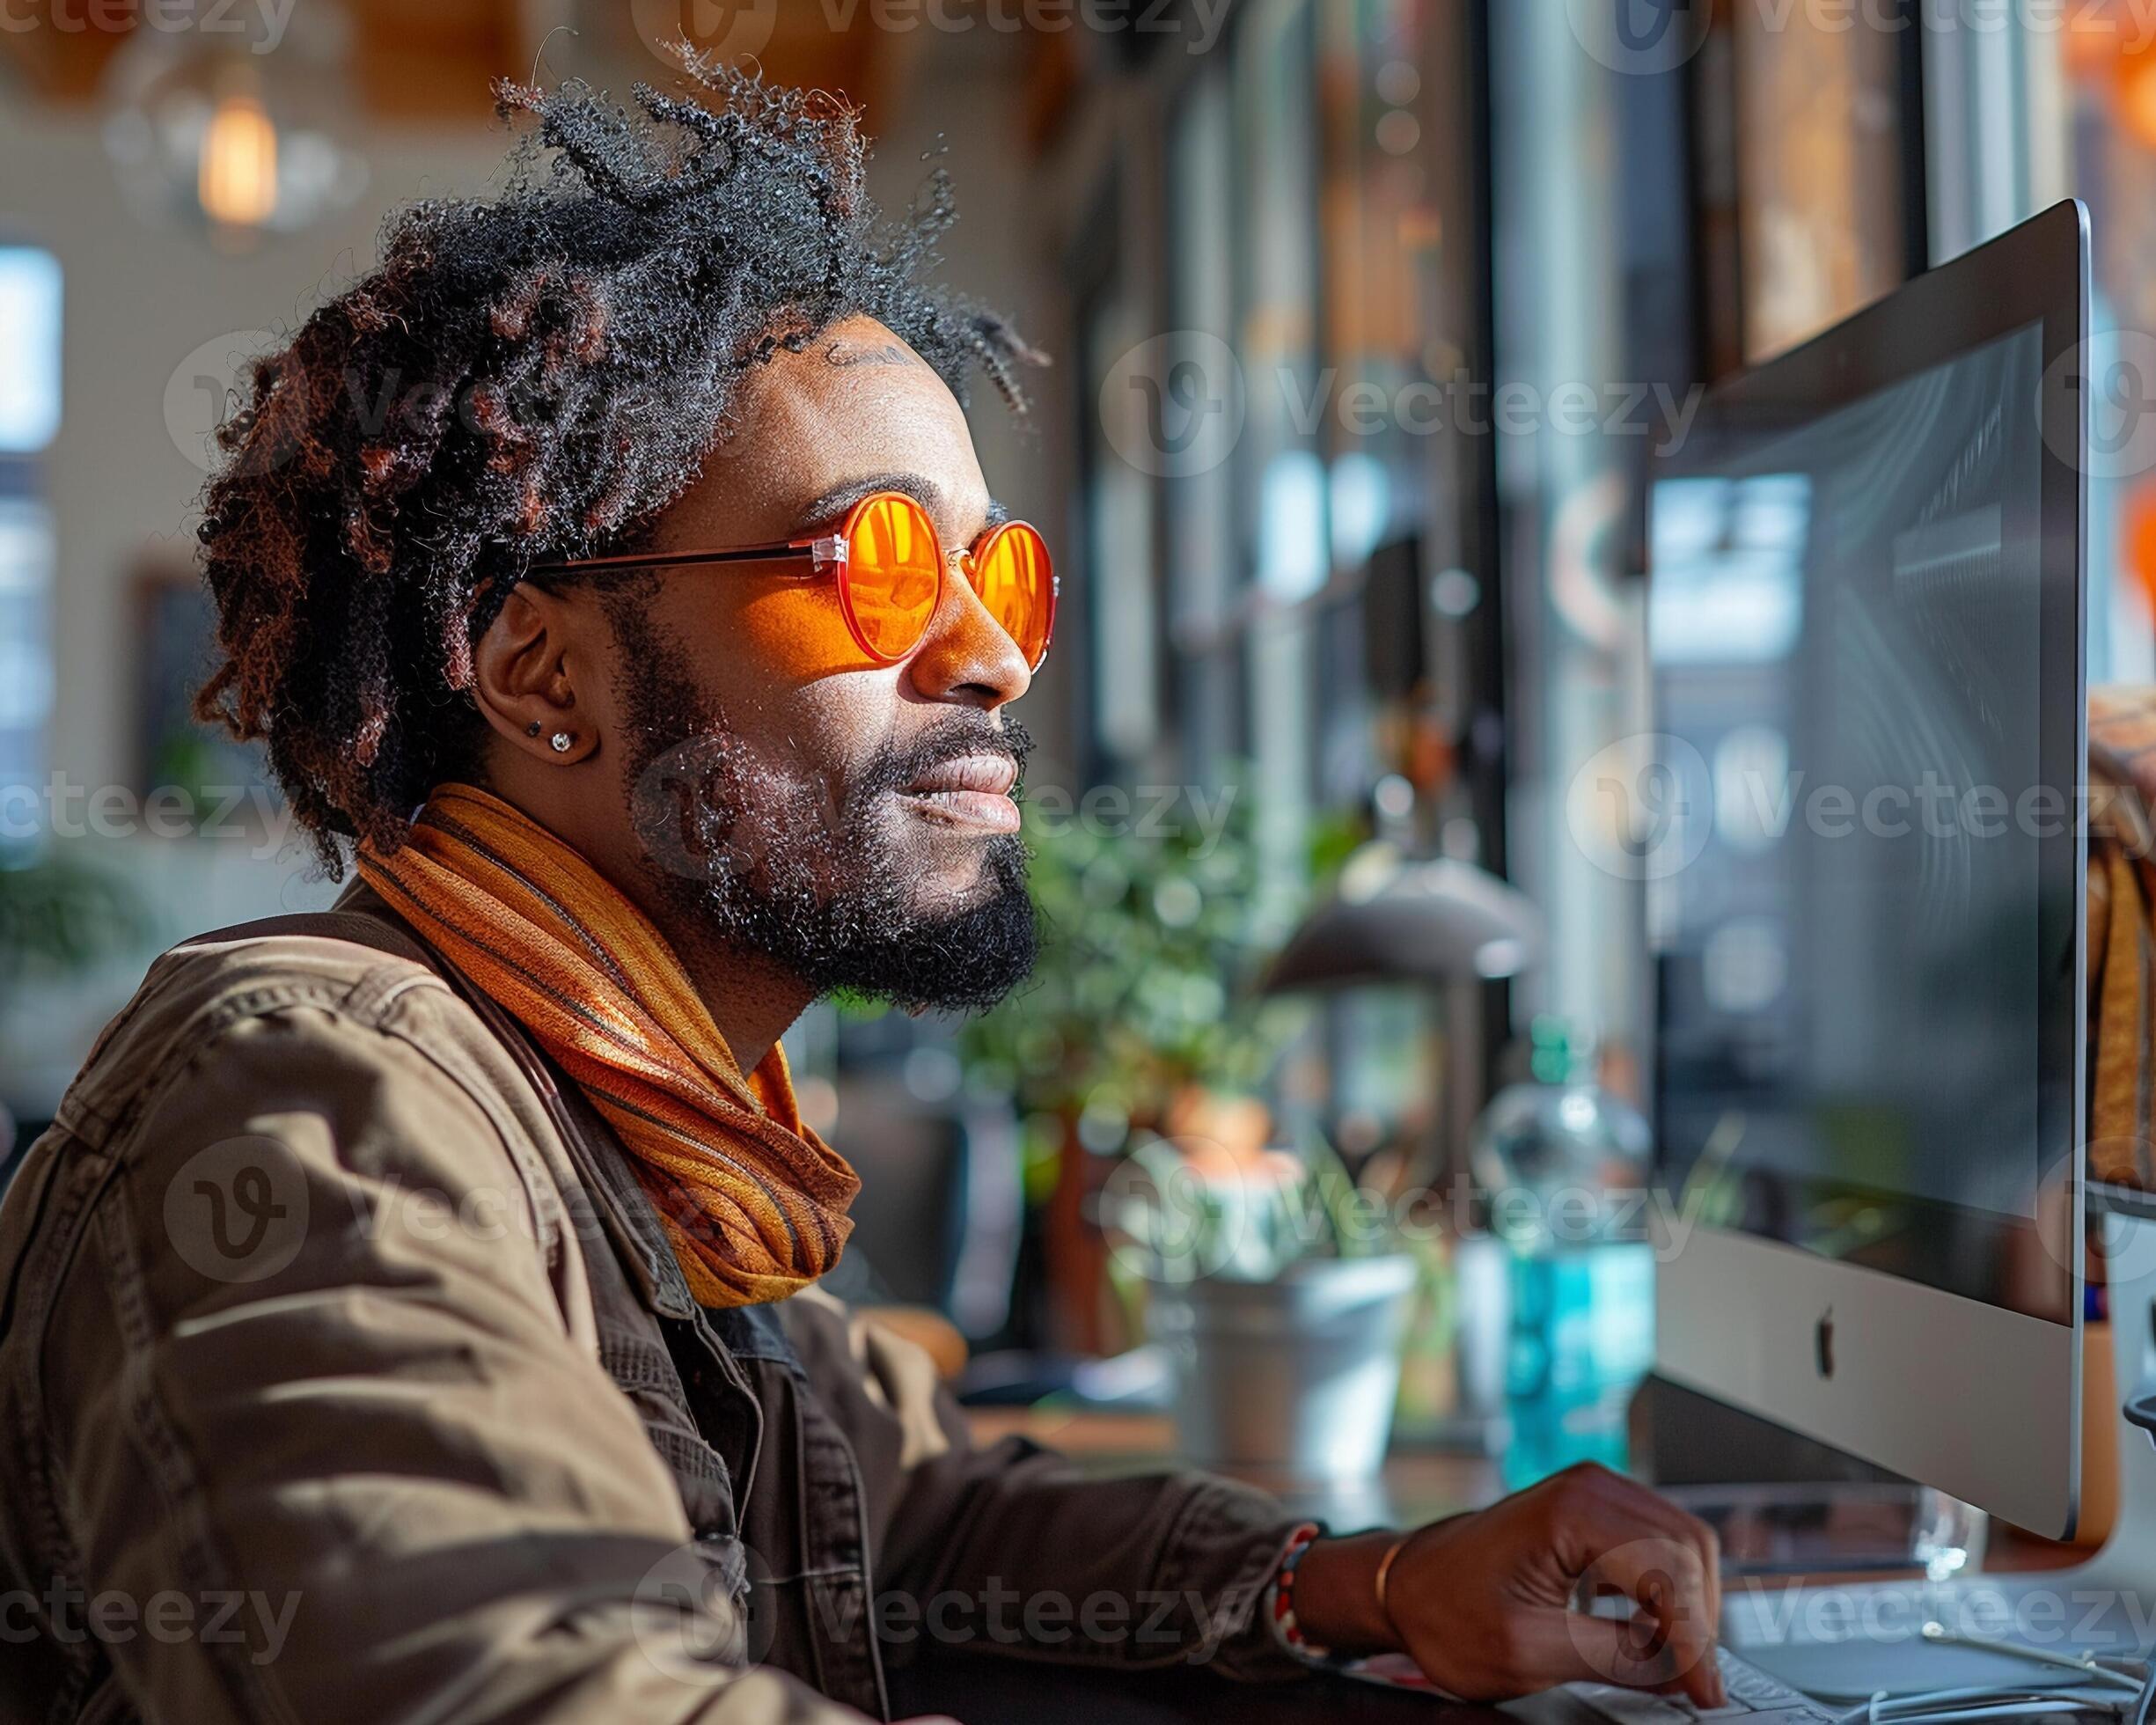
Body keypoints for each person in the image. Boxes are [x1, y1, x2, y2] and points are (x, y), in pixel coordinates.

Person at [0, 62, 1725, 1723]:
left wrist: (1370, 1577)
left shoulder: (658, 1126)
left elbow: (917, 1512)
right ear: (543, 674)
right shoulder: (320, 1091)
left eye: (1000, 572)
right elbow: (495, 1676)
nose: (988, 655)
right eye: (875, 560)